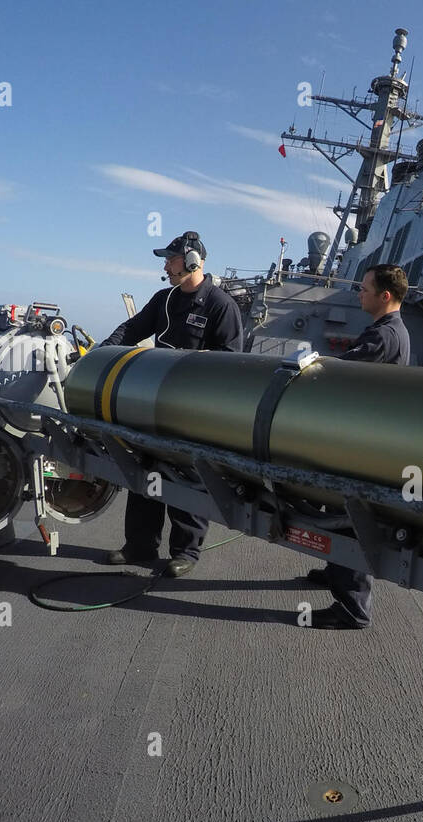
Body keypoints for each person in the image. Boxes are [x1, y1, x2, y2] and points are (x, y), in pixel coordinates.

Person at [103, 231, 244, 577]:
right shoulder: (164, 299)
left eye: (171, 259)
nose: (166, 265)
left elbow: (232, 361)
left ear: (193, 261)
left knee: (186, 479)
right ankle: (139, 546)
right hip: (156, 405)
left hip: (194, 413)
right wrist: (102, 353)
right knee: (146, 472)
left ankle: (185, 553)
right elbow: (132, 328)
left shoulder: (220, 306)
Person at [304, 263, 410, 629]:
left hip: (363, 443)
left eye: (364, 288)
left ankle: (352, 608)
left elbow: (343, 372)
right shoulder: (389, 330)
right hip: (366, 436)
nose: (359, 293)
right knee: (341, 510)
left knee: (350, 515)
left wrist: (312, 366)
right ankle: (337, 572)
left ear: (384, 296)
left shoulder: (383, 337)